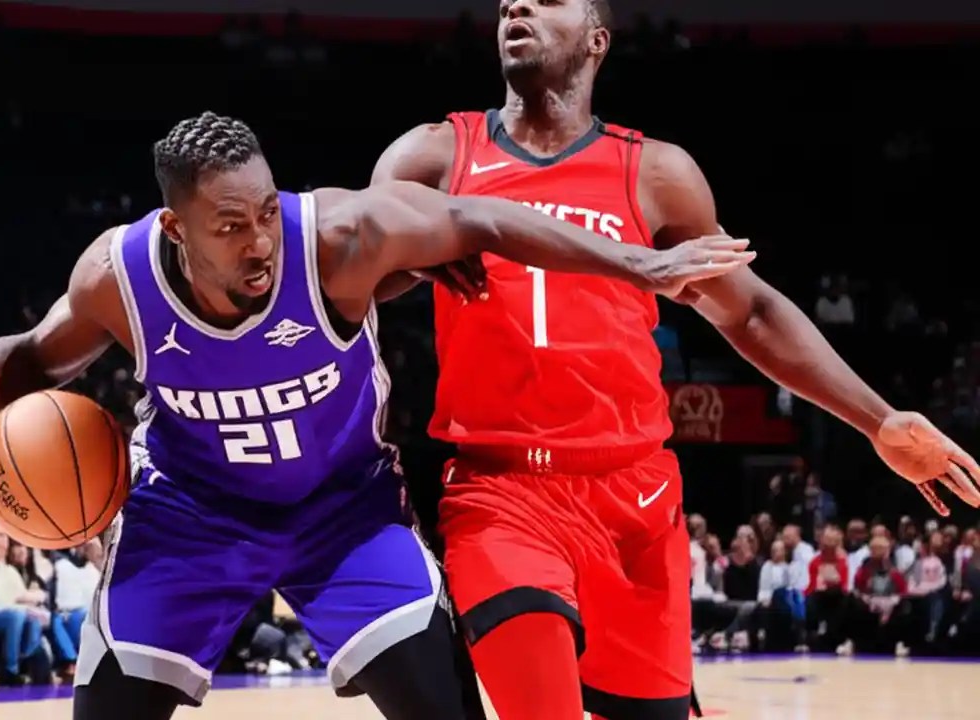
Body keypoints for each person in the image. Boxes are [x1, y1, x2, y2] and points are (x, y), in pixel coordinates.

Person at [0, 111, 750, 720]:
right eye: (229, 226)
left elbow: (480, 216)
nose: (258, 240)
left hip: (344, 516)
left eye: (263, 210)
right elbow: (30, 358)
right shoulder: (117, 275)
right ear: (175, 229)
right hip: (188, 517)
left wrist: (633, 264)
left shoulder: (336, 238)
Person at [370, 0, 980, 718]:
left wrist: (877, 422)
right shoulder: (436, 157)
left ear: (597, 40)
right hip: (503, 493)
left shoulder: (656, 172)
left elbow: (749, 310)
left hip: (637, 504)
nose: (517, 4)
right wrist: (417, 252)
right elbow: (345, 285)